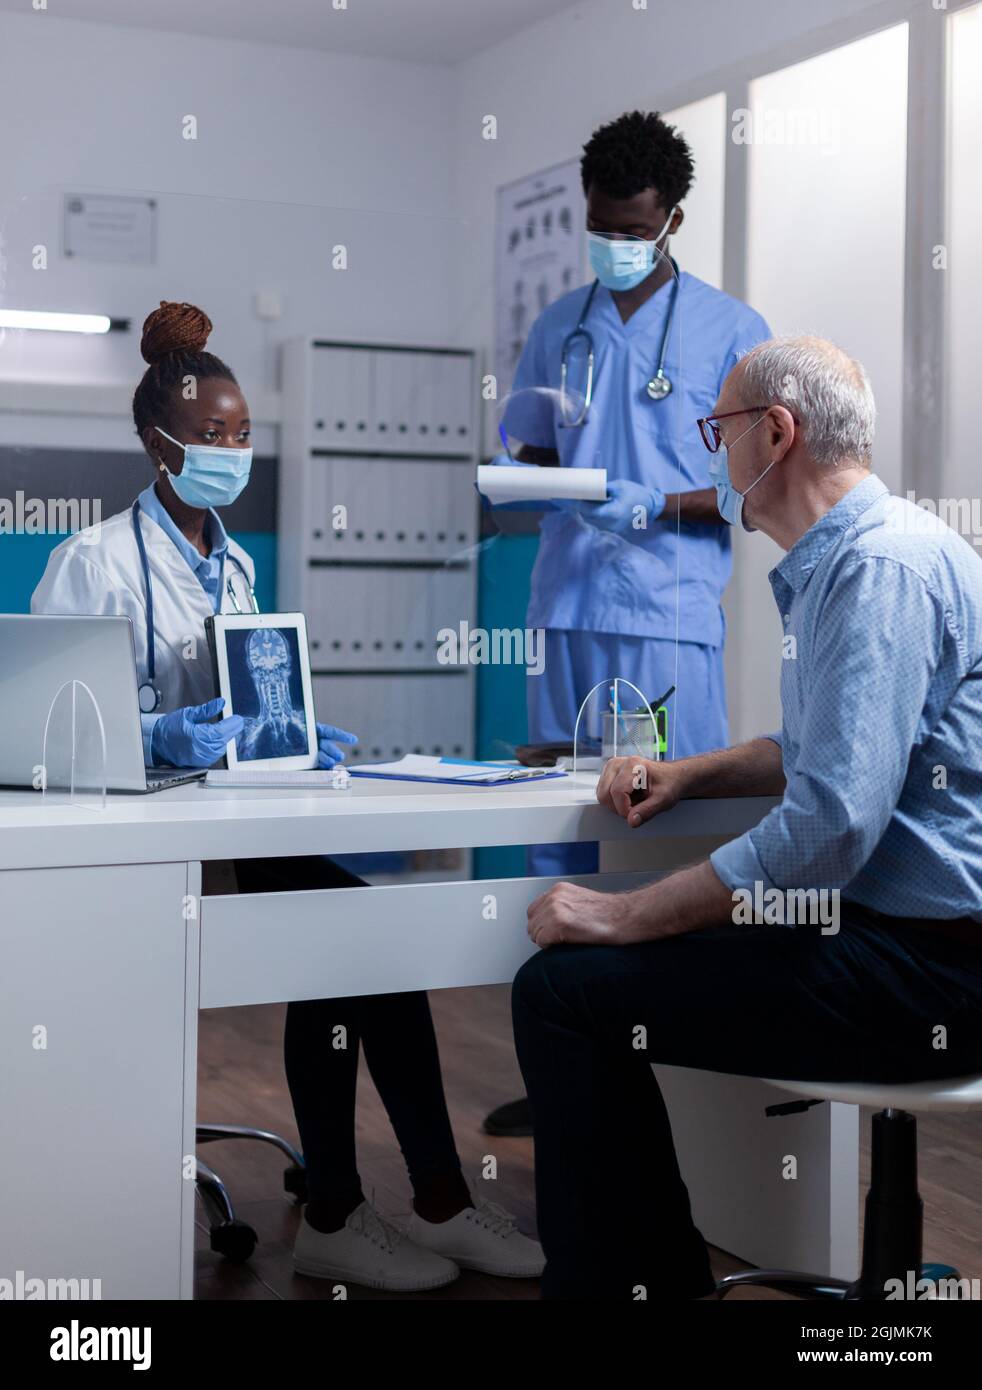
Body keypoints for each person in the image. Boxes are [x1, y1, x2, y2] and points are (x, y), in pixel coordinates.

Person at [32, 300, 543, 1293]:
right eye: (210, 433)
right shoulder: (92, 560)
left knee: (363, 938)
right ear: (157, 441)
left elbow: (244, 687)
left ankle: (406, 1205)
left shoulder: (237, 564)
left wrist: (291, 735)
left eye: (241, 433)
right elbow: (52, 736)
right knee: (343, 940)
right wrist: (160, 736)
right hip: (121, 844)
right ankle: (345, 1212)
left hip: (225, 820)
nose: (230, 449)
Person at [511, 335, 982, 1299]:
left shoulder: (878, 573)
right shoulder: (863, 556)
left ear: (778, 432)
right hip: (902, 942)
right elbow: (823, 751)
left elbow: (831, 827)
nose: (711, 454)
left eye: (717, 430)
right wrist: (692, 775)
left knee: (563, 993)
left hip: (935, 974)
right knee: (601, 978)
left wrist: (622, 913)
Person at [484, 109, 771, 1138]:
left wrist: (655, 501)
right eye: (596, 225)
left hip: (666, 617)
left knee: (662, 831)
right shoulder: (557, 322)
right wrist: (531, 480)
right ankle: (563, 1063)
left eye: (629, 227)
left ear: (671, 219)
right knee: (559, 838)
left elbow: (761, 489)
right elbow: (521, 451)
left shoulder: (734, 332)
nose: (609, 244)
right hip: (565, 605)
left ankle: (682, 1082)